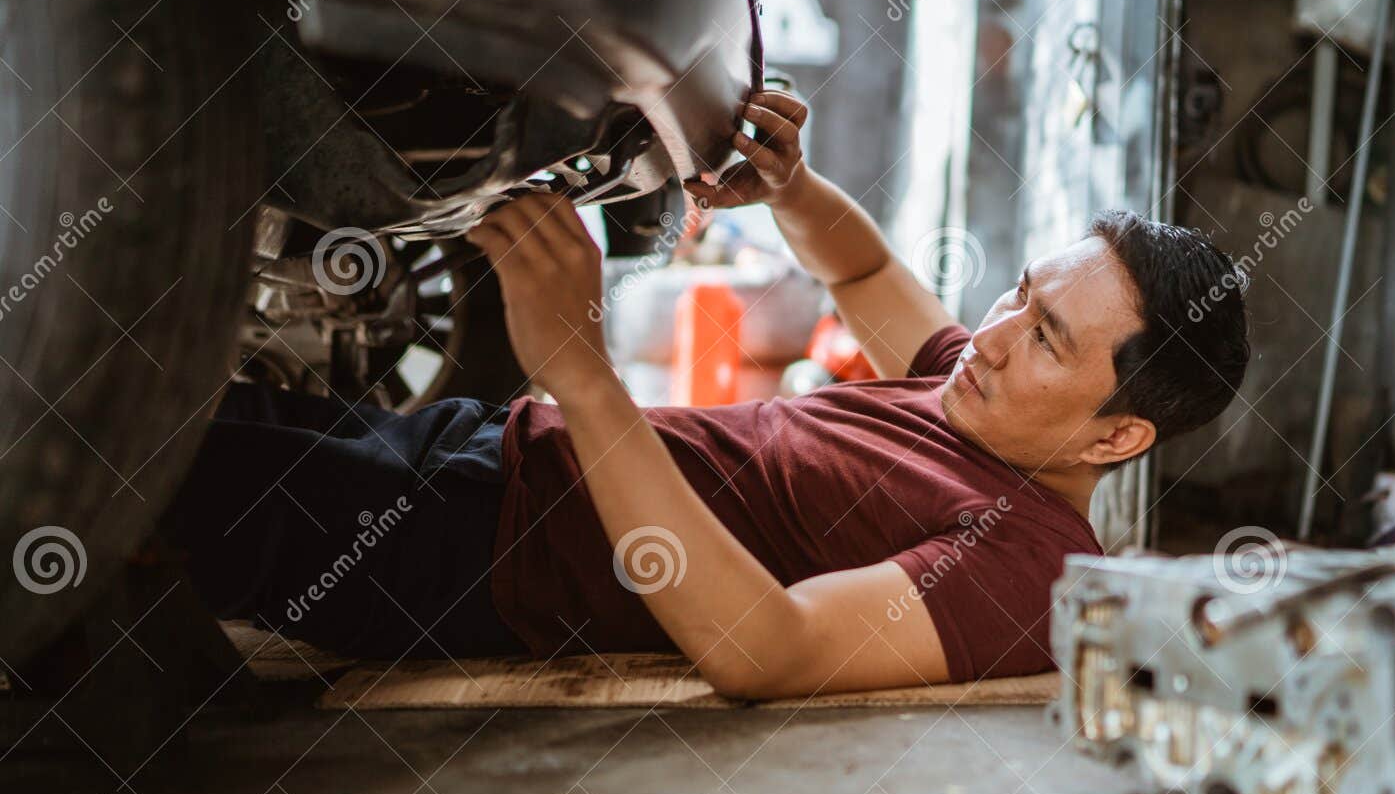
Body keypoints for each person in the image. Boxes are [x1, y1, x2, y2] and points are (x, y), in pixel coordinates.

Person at [163, 91, 1249, 700]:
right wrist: (791, 184)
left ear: (1117, 432)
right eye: (1019, 292)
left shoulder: (1027, 566)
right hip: (490, 450)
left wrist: (585, 377)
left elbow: (770, 647)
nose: (997, 335)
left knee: (140, 471)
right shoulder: (974, 388)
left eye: (1047, 337)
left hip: (478, 552)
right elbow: (865, 274)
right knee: (186, 430)